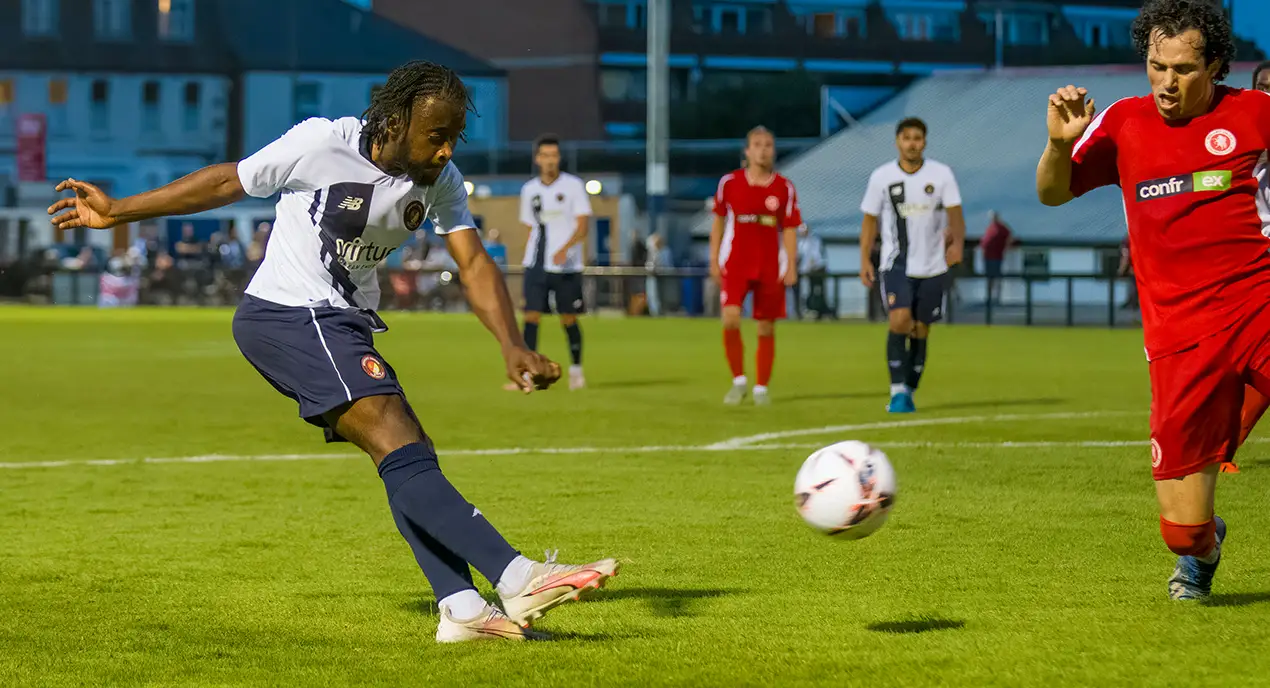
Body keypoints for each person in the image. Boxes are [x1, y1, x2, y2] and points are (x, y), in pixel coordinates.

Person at [48, 61, 618, 641]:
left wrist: (512, 345)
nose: (446, 151)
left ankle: (463, 610)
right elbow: (228, 181)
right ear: (395, 122)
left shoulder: (438, 180)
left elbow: (472, 263)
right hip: (288, 313)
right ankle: (517, 575)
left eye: (453, 137)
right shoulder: (322, 141)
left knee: (409, 452)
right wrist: (118, 211)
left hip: (341, 323)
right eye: (436, 136)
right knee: (397, 438)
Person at [1035, 0, 1270, 600]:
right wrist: (1061, 145)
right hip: (1179, 335)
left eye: (1183, 69)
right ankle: (1203, 549)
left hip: (1257, 303)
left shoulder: (1255, 113)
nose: (1167, 82)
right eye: (1156, 66)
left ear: (1216, 65)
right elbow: (1052, 195)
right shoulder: (1123, 123)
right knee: (1182, 531)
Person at [859, 117, 965, 414]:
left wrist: (957, 244)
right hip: (896, 264)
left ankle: (910, 389)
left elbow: (956, 214)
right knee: (899, 320)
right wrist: (864, 258)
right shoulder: (881, 177)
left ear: (925, 142)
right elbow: (869, 221)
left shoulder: (941, 174)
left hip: (933, 266)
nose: (912, 143)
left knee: (921, 329)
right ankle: (897, 391)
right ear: (897, 142)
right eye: (906, 138)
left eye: (917, 138)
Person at [710, 125, 800, 406]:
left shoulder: (783, 187)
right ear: (747, 151)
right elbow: (718, 222)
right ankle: (738, 380)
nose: (763, 149)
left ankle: (761, 387)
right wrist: (713, 259)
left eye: (769, 145)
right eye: (758, 144)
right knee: (730, 317)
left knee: (766, 327)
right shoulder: (730, 183)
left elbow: (789, 228)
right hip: (736, 261)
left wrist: (792, 264)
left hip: (770, 263)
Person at [517, 134, 592, 391]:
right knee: (531, 316)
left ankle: (576, 369)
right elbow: (529, 227)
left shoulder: (573, 186)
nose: (550, 161)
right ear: (538, 159)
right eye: (545, 156)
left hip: (566, 265)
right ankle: (529, 374)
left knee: (568, 317)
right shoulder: (529, 190)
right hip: (536, 263)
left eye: (554, 156)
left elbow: (583, 226)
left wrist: (565, 248)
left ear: (559, 158)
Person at [1228, 60, 1270, 473]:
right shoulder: (1245, 138)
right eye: (1263, 87)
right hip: (1256, 258)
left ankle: (1222, 447)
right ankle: (1223, 447)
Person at [979, 211, 1017, 306]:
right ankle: (989, 297)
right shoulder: (990, 227)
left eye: (994, 217)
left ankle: (997, 298)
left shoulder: (1002, 227)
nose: (993, 219)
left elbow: (1010, 236)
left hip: (996, 256)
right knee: (989, 278)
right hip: (987, 256)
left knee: (997, 278)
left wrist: (1006, 247)